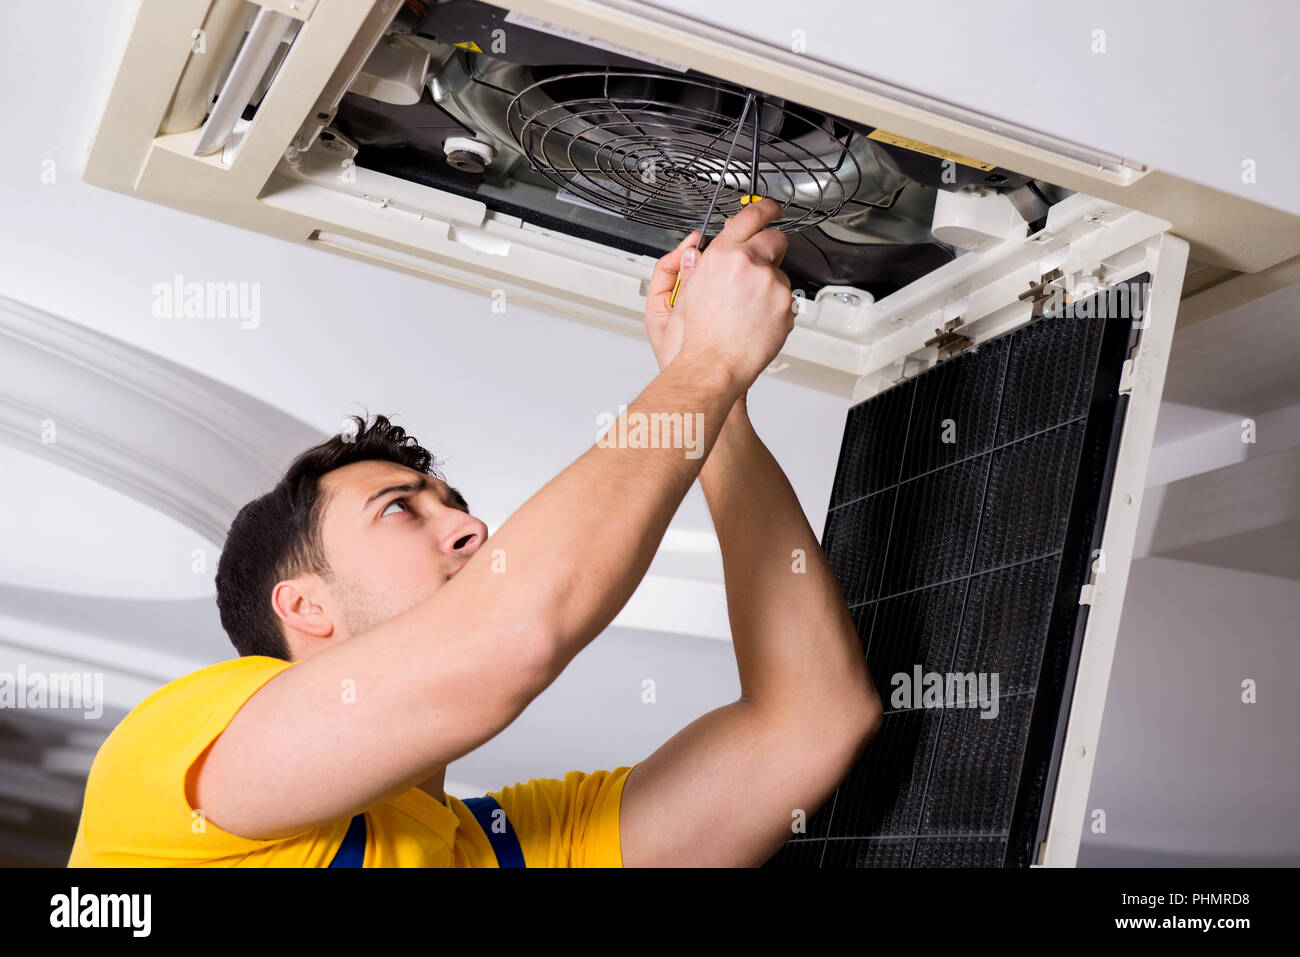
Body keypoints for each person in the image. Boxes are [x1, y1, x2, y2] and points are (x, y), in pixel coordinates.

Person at [67, 199, 883, 867]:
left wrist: (714, 398)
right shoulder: (173, 755)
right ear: (303, 605)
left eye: (450, 501)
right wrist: (703, 369)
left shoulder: (499, 848)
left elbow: (809, 722)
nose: (470, 526)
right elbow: (510, 639)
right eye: (400, 507)